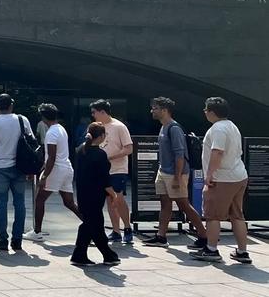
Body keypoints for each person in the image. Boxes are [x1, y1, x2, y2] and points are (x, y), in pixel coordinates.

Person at [142, 97, 208, 249]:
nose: (152, 111)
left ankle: (204, 236)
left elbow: (180, 155)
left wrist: (177, 177)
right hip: (164, 171)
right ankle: (161, 236)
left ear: (164, 110)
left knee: (183, 204)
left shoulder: (174, 128)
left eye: (155, 108)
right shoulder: (163, 127)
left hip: (175, 174)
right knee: (165, 203)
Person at [194, 97, 252, 264]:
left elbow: (217, 152)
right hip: (239, 175)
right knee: (237, 215)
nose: (204, 112)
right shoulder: (232, 126)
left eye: (206, 109)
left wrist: (209, 175)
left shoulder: (218, 129)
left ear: (212, 112)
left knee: (212, 215)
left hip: (222, 178)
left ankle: (211, 249)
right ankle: (242, 252)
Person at [0, 93, 33, 252]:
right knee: (20, 203)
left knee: (1, 203)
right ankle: (17, 240)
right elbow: (31, 141)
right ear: (11, 105)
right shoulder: (22, 120)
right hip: (19, 166)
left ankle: (2, 240)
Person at [70, 122, 121, 267]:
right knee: (95, 224)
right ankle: (107, 254)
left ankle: (79, 254)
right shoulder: (100, 154)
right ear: (102, 136)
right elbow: (105, 179)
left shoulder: (80, 150)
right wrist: (114, 195)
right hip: (95, 195)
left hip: (83, 193)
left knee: (88, 224)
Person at [30, 104, 80, 242]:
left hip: (55, 169)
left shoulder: (51, 133)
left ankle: (37, 231)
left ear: (43, 117)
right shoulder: (61, 129)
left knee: (40, 199)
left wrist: (45, 176)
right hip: (66, 168)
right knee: (69, 202)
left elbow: (52, 157)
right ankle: (92, 226)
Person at [90, 100, 134, 244]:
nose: (93, 115)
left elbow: (129, 148)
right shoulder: (96, 127)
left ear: (102, 112)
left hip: (117, 169)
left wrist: (110, 157)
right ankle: (116, 231)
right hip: (102, 170)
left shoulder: (119, 127)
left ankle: (127, 228)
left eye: (94, 112)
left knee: (118, 198)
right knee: (109, 200)